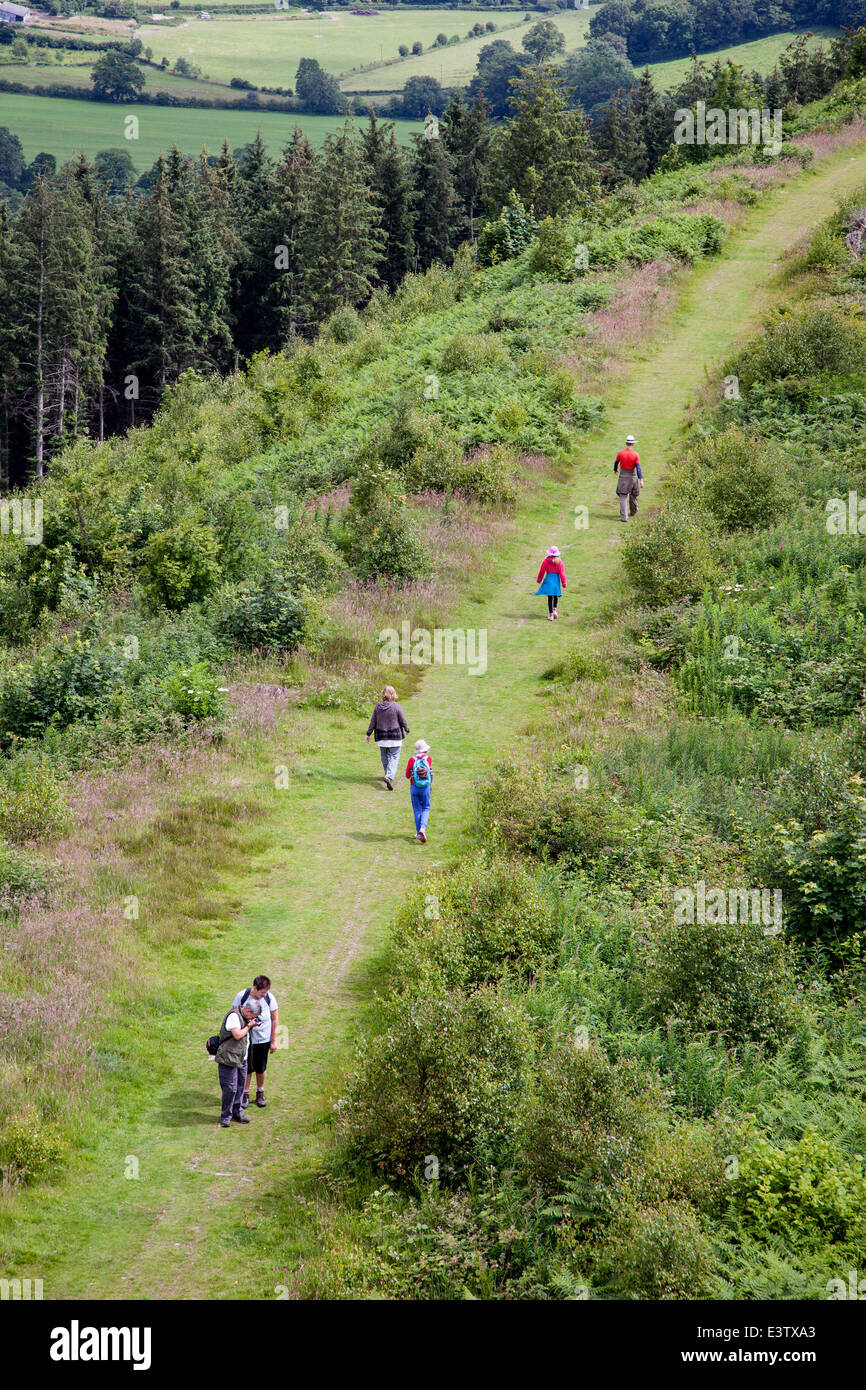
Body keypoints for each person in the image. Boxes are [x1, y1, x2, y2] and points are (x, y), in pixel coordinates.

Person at [233, 975, 279, 1110]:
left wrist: (273, 1041)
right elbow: (234, 1014)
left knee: (261, 1067)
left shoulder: (270, 998)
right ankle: (245, 1094)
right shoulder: (242, 996)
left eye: (266, 992)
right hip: (246, 1039)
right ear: (255, 988)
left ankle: (260, 1092)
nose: (264, 995)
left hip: (263, 1039)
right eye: (262, 992)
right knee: (246, 1067)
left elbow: (275, 1019)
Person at [215, 996, 261, 1128]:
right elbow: (237, 1034)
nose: (252, 1019)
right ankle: (226, 1116)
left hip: (241, 1058)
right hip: (228, 1059)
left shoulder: (245, 1017)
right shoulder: (234, 1016)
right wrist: (249, 1026)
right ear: (246, 1010)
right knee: (230, 1089)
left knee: (240, 1086)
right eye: (252, 1015)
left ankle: (237, 1112)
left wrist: (250, 1024)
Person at [366, 685, 410, 790]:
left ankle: (388, 775)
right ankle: (389, 777)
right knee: (394, 757)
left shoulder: (377, 707)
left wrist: (368, 734)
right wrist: (406, 728)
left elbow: (373, 721)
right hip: (395, 737)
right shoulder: (396, 706)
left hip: (382, 737)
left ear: (383, 694)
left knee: (384, 757)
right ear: (393, 695)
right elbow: (402, 720)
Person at [405, 738, 433, 843]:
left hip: (414, 787)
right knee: (426, 807)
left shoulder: (412, 760)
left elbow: (407, 775)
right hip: (425, 787)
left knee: (417, 809)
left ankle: (418, 833)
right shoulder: (428, 759)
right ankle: (423, 829)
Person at [613, 434, 643, 523]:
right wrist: (641, 479)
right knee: (633, 494)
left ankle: (624, 517)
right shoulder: (635, 454)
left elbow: (616, 462)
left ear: (626, 443)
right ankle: (633, 511)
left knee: (623, 496)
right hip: (632, 476)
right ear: (633, 444)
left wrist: (615, 470)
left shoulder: (620, 453)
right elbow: (638, 468)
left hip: (623, 476)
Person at [535, 545, 567, 620]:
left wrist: (539, 579)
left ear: (549, 553)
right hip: (556, 580)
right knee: (555, 595)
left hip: (549, 579)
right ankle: (555, 609)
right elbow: (562, 572)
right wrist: (564, 582)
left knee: (550, 597)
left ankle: (551, 615)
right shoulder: (559, 562)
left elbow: (542, 570)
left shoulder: (546, 561)